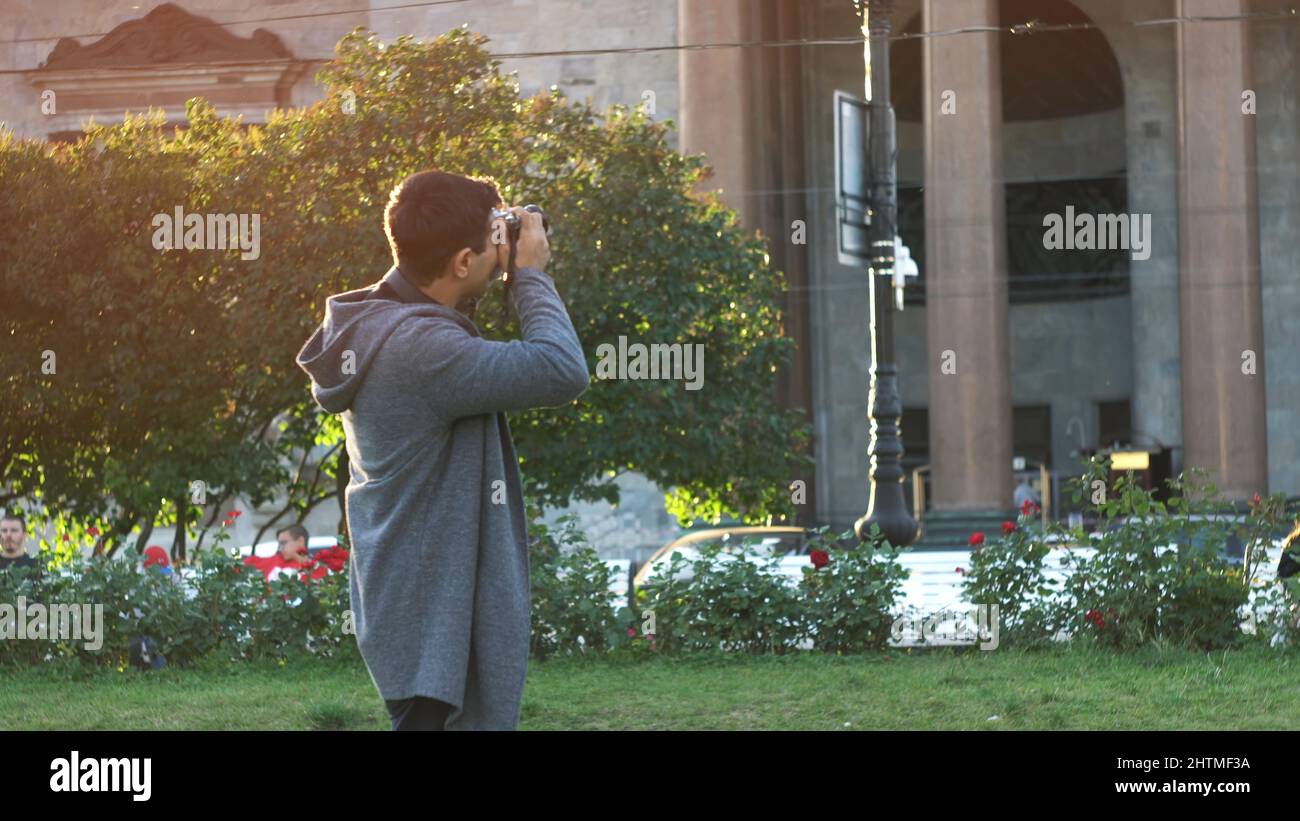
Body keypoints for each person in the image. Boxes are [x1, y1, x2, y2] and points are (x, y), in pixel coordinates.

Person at [296, 170, 588, 730]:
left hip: (415, 603)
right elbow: (561, 370)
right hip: (431, 617)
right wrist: (528, 277)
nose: (504, 241)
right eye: (493, 235)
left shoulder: (387, 323)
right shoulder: (421, 347)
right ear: (460, 262)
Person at [242, 524, 328, 582]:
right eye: (279, 544)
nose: (280, 548)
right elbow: (245, 564)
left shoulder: (318, 570)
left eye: (283, 543)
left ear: (300, 541)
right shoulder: (273, 561)